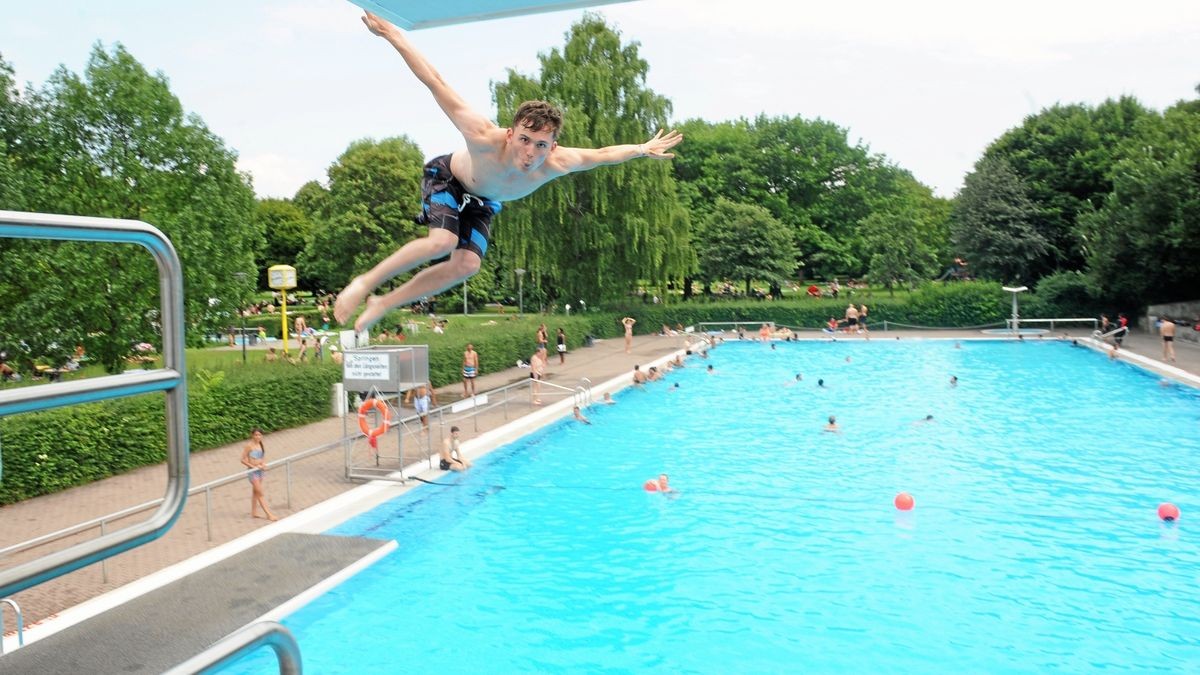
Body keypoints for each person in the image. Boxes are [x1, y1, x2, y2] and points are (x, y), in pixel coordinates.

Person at [333, 13, 683, 331]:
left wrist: (641, 149)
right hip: (448, 180)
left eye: (541, 145)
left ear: (554, 147)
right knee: (442, 242)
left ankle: (384, 303)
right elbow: (435, 81)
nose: (530, 153)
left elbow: (604, 155)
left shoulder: (560, 162)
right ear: (511, 134)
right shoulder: (483, 135)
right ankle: (365, 283)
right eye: (525, 140)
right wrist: (392, 33)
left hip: (483, 202)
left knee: (467, 266)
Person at [240, 428, 277, 521]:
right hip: (253, 472)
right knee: (260, 493)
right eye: (256, 435)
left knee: (255, 492)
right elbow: (242, 459)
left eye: (259, 435)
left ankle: (254, 512)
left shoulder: (260, 444)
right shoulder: (249, 446)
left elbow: (262, 457)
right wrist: (253, 466)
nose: (258, 437)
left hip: (260, 471)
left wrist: (263, 464)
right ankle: (269, 514)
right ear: (252, 435)